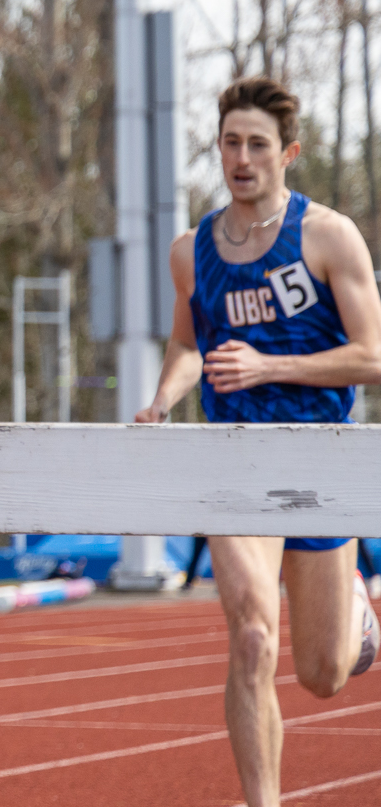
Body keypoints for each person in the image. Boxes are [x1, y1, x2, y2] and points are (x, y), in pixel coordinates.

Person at [137, 76, 381, 806]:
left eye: (257, 144)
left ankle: (358, 611)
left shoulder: (329, 235)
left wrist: (272, 364)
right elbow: (188, 343)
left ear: (289, 153)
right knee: (250, 632)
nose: (241, 157)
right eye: (230, 142)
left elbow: (373, 355)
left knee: (321, 673)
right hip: (232, 461)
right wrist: (161, 399)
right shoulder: (192, 251)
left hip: (318, 463)